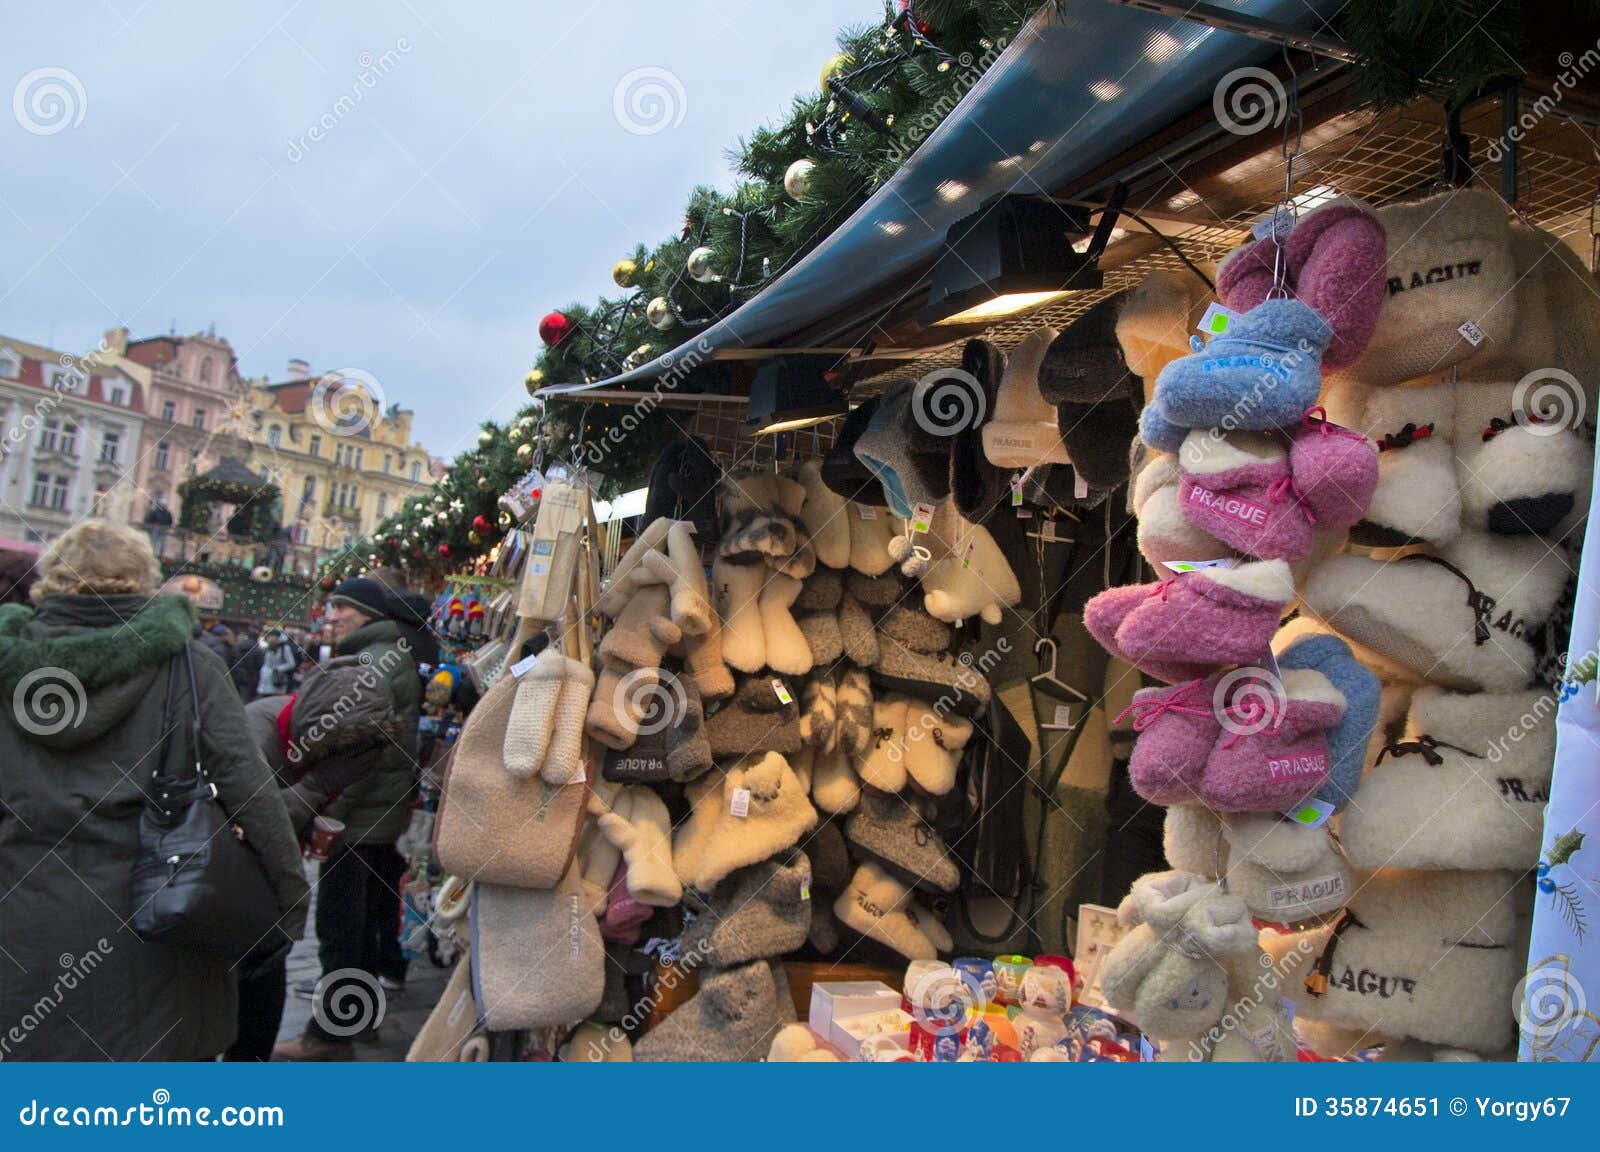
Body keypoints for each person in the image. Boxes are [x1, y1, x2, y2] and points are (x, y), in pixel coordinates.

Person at [0, 519, 307, 1060]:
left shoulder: (8, 666)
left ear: (52, 581)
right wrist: (289, 896)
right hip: (156, 910)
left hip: (24, 914)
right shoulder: (188, 666)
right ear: (143, 582)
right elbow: (248, 786)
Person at [272, 577, 420, 1061]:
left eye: (342, 609)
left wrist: (326, 817)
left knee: (340, 929)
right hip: (380, 815)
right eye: (331, 608)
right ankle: (359, 1022)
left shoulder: (371, 665)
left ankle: (328, 1036)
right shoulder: (390, 656)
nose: (331, 616)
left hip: (356, 820)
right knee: (368, 924)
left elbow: (356, 756)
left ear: (368, 617)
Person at [257, 629, 296, 698]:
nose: (270, 639)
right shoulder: (267, 649)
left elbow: (291, 664)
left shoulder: (284, 648)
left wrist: (278, 669)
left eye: (273, 636)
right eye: (269, 637)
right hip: (265, 683)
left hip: (277, 682)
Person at [230, 628, 263, 703]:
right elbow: (259, 664)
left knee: (240, 696)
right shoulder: (256, 648)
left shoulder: (239, 645)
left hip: (239, 675)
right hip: (252, 677)